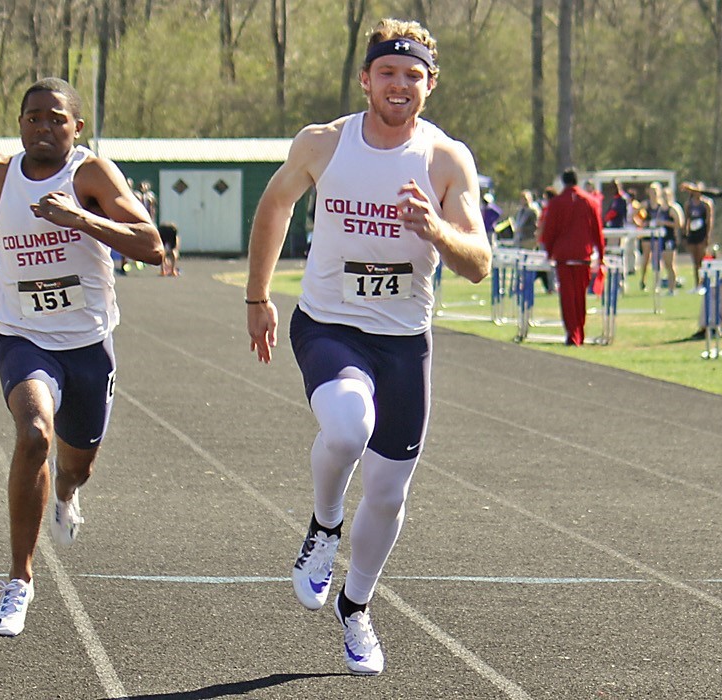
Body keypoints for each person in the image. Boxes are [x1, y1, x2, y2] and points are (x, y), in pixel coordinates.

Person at [242, 19, 491, 676]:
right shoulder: (323, 143)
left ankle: (356, 609)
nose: (399, 85)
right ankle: (324, 528)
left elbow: (479, 262)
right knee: (349, 428)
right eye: (388, 72)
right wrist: (258, 297)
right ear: (366, 79)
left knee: (387, 495)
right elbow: (274, 209)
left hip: (404, 342)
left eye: (413, 76)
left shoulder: (445, 159)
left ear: (429, 86)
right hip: (328, 325)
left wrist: (435, 229)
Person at [0, 77, 161, 638]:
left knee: (76, 463)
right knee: (34, 433)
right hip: (23, 336)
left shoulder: (89, 175)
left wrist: (82, 219)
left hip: (87, 344)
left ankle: (66, 492)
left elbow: (151, 244)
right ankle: (20, 578)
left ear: (77, 128)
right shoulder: (0, 172)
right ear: (20, 124)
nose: (44, 127)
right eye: (33, 117)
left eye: (56, 119)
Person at [539, 170, 605, 346]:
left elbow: (549, 231)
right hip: (583, 255)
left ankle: (572, 333)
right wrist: (601, 252)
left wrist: (549, 252)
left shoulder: (556, 203)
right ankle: (580, 331)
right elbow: (597, 229)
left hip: (564, 256)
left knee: (567, 296)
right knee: (580, 296)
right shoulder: (590, 202)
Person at [639, 181, 681, 292]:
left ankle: (672, 287)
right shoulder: (661, 209)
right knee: (656, 260)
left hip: (668, 238)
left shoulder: (672, 208)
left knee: (669, 263)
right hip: (658, 236)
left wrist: (664, 223)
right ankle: (655, 283)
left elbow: (678, 224)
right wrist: (643, 224)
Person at [682, 184, 716, 280]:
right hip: (693, 233)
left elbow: (709, 220)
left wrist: (708, 236)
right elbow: (687, 219)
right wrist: (685, 234)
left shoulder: (706, 203)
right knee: (695, 261)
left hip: (702, 233)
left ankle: (704, 281)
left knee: (702, 259)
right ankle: (697, 282)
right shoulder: (688, 204)